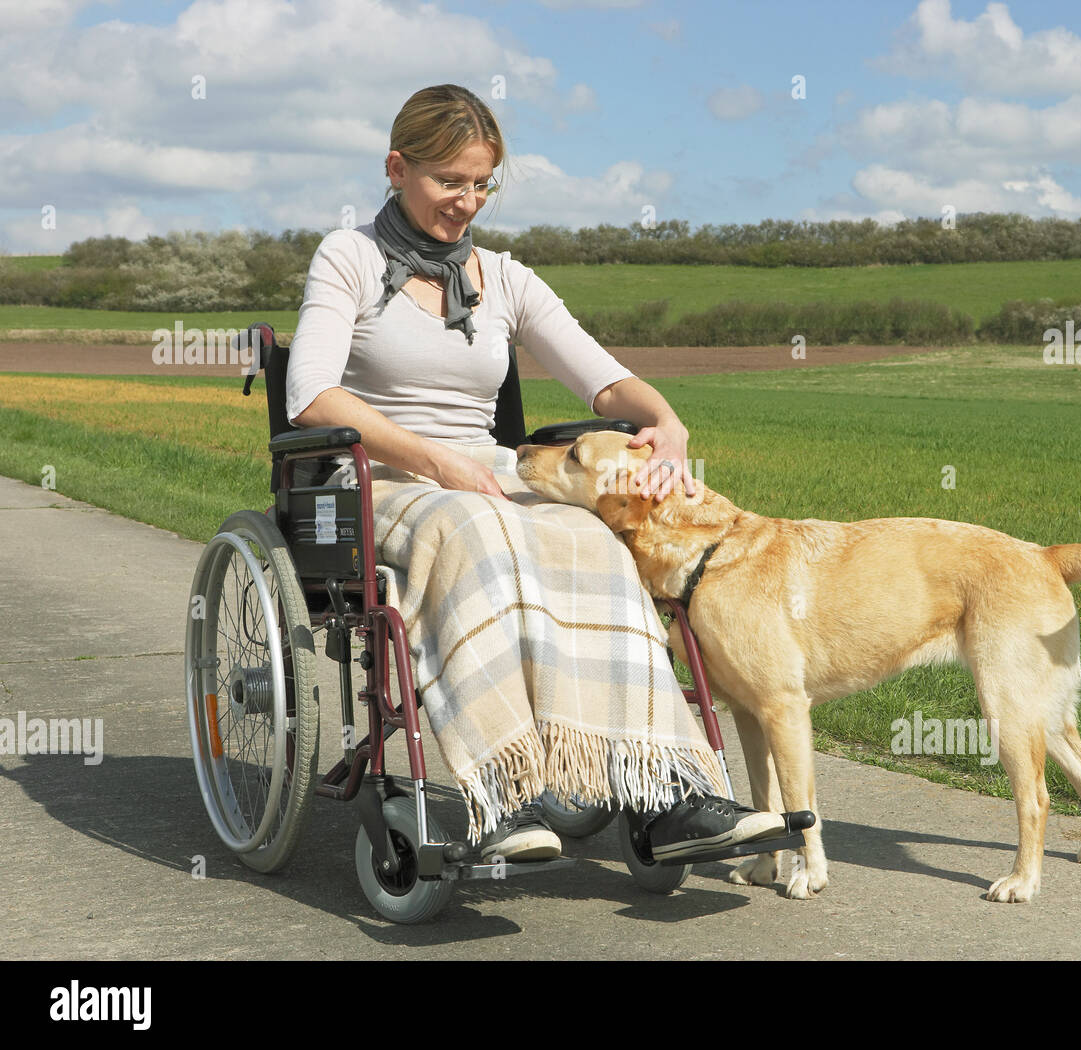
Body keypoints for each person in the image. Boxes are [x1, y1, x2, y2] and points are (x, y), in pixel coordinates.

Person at [285, 84, 788, 864]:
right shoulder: (347, 257)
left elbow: (607, 383)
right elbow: (312, 395)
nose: (468, 202)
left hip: (482, 475)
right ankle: (503, 789)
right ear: (396, 168)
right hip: (377, 475)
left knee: (593, 538)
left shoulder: (506, 279)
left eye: (482, 184)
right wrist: (435, 458)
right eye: (450, 181)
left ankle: (666, 793)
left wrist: (667, 422)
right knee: (475, 528)